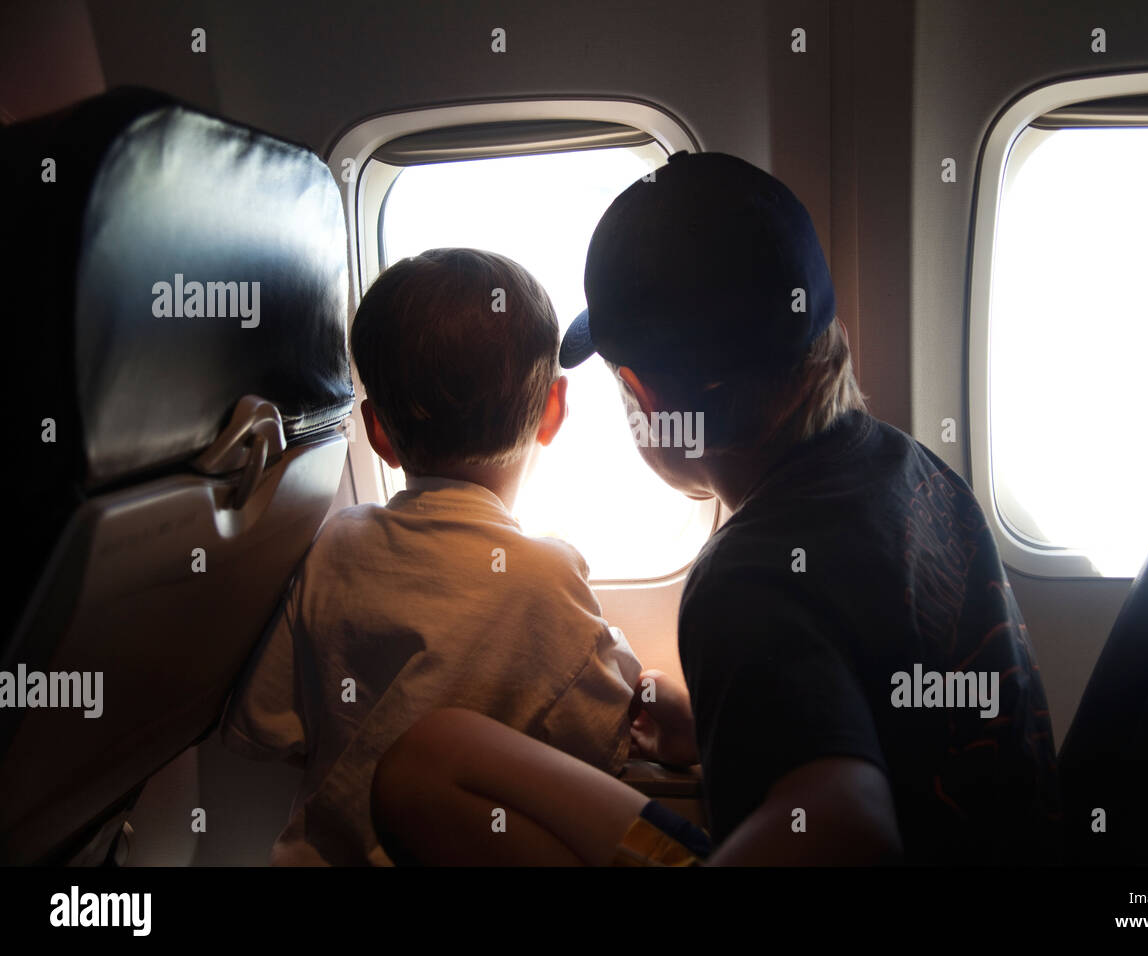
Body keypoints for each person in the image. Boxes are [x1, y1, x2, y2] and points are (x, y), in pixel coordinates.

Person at [371, 152, 1061, 866]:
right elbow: (887, 732)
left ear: (648, 400)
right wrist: (720, 728)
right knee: (437, 754)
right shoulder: (917, 473)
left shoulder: (746, 579)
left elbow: (849, 823)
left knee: (417, 780)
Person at [220, 247, 641, 866]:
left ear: (378, 433)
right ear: (554, 409)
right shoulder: (547, 577)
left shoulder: (334, 546)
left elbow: (269, 726)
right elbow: (602, 733)